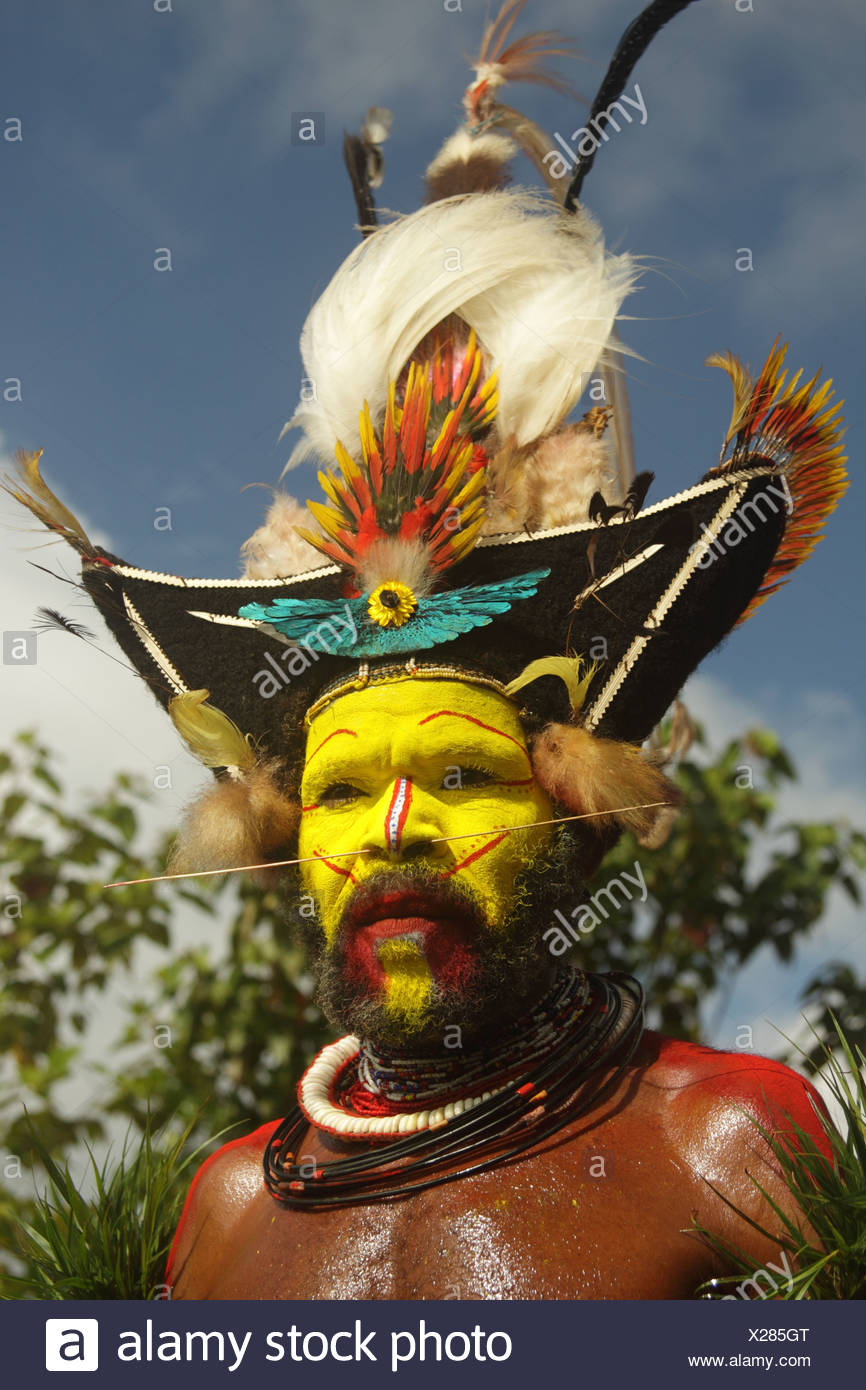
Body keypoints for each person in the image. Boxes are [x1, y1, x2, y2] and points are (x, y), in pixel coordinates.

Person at [5, 0, 846, 1299]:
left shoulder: (722, 1141)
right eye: (341, 789)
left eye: (458, 777)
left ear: (570, 815)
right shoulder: (222, 1209)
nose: (391, 827)